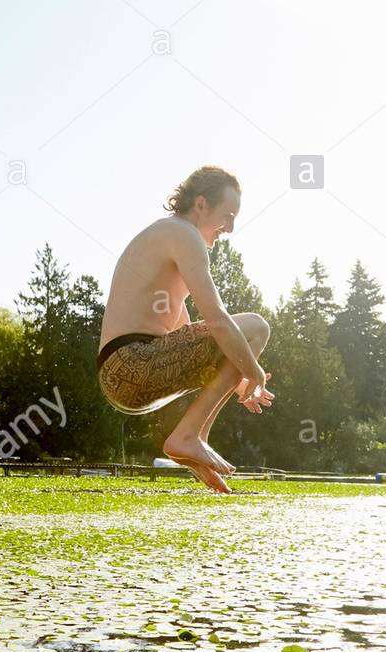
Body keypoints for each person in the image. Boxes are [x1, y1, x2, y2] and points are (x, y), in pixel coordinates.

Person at [97, 165, 273, 493]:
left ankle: (193, 443)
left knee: (237, 341)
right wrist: (256, 374)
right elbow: (219, 322)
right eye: (229, 214)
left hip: (121, 373)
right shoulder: (183, 234)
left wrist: (235, 376)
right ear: (202, 204)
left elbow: (190, 334)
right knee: (256, 327)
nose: (231, 228)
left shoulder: (170, 239)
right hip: (133, 361)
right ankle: (190, 436)